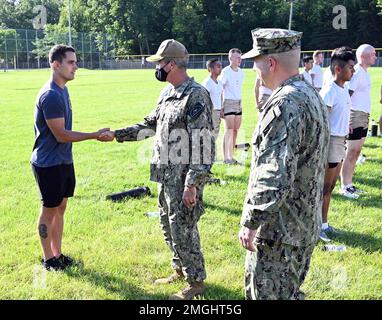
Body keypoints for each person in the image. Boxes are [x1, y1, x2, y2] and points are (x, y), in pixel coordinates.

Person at [99, 39, 215, 300]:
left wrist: (192, 184)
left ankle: (196, 282)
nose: (158, 67)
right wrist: (117, 134)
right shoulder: (167, 94)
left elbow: (204, 144)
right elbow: (148, 126)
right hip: (165, 175)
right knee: (168, 223)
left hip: (184, 179)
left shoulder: (196, 95)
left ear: (172, 64)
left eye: (160, 63)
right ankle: (180, 269)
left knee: (184, 227)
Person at [239, 28, 329, 300]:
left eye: (256, 60)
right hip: (300, 226)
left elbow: (273, 174)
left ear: (271, 62)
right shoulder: (308, 94)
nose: (254, 67)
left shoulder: (285, 103)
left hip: (279, 233)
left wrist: (251, 221)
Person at [31, 44, 109, 271]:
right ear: (56, 65)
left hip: (63, 161)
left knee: (61, 206)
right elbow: (61, 135)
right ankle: (49, 259)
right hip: (48, 164)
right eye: (71, 62)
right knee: (49, 209)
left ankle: (58, 254)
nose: (76, 66)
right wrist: (95, 135)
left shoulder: (63, 90)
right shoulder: (51, 95)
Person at [319, 49, 356, 242]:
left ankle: (324, 224)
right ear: (338, 69)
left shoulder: (342, 89)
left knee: (331, 186)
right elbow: (323, 122)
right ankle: (317, 226)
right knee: (323, 187)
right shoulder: (329, 91)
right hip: (331, 142)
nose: (353, 71)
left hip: (341, 141)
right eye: (350, 67)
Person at [340, 44, 377, 198]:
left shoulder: (364, 72)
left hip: (363, 115)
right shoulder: (356, 73)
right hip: (355, 115)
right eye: (373, 54)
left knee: (356, 152)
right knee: (351, 152)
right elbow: (346, 95)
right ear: (363, 56)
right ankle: (345, 187)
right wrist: (347, 119)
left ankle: (349, 184)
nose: (376, 56)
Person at [219, 48, 244, 164]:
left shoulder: (241, 72)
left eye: (240, 57)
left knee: (235, 131)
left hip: (238, 102)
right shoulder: (225, 72)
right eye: (237, 57)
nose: (239, 59)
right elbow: (220, 89)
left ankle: (231, 156)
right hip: (228, 102)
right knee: (228, 130)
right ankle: (226, 158)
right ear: (230, 59)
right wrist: (221, 106)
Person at [202, 58, 224, 139]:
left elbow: (220, 95)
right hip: (211, 112)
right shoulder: (207, 83)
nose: (220, 68)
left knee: (216, 134)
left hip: (217, 112)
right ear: (210, 69)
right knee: (210, 135)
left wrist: (221, 109)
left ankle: (212, 150)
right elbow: (204, 98)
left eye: (221, 66)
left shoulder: (219, 82)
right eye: (218, 66)